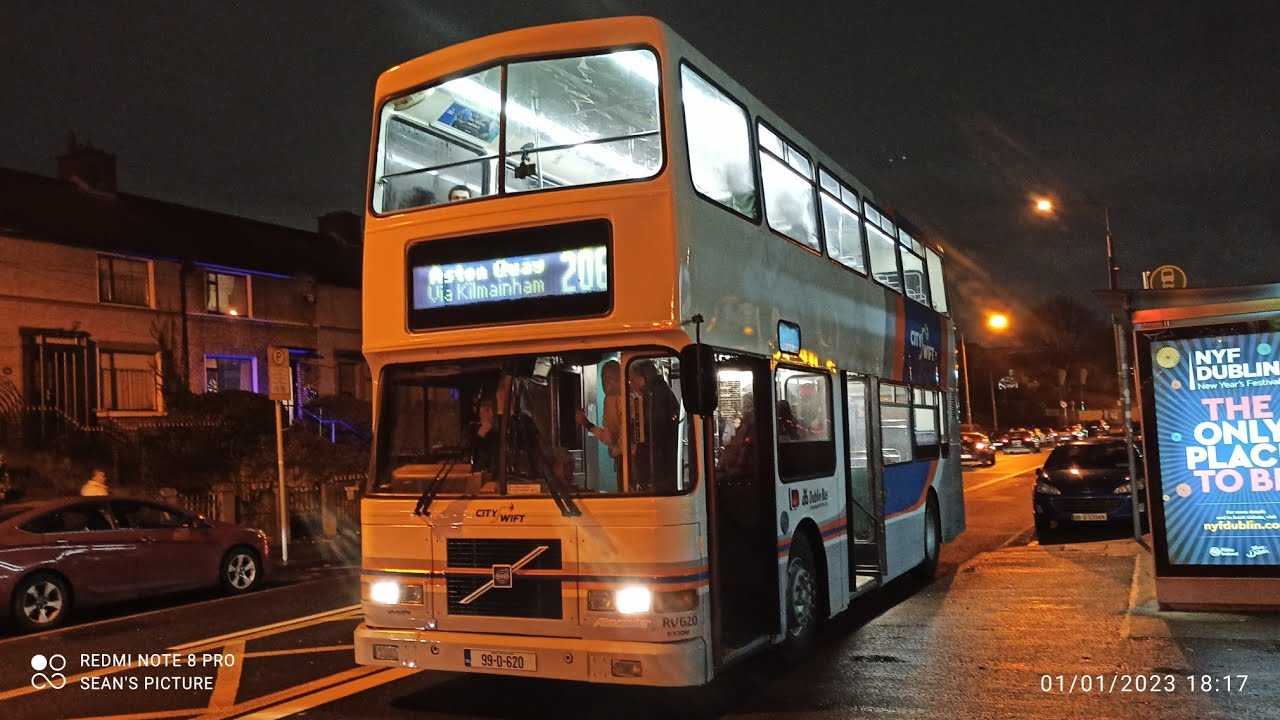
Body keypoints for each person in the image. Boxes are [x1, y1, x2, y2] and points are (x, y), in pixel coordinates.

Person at [628, 360, 680, 493]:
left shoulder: (655, 395)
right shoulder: (660, 391)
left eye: (632, 380)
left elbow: (656, 428)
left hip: (660, 462)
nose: (631, 384)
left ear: (643, 377)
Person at [575, 360, 623, 472]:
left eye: (604, 379)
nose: (603, 384)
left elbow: (610, 438)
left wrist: (587, 424)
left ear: (609, 379)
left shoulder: (612, 398)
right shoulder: (629, 393)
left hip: (623, 458)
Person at [470, 398, 499, 473]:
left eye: (491, 410)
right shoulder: (474, 430)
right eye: (487, 410)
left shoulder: (496, 432)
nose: (491, 414)